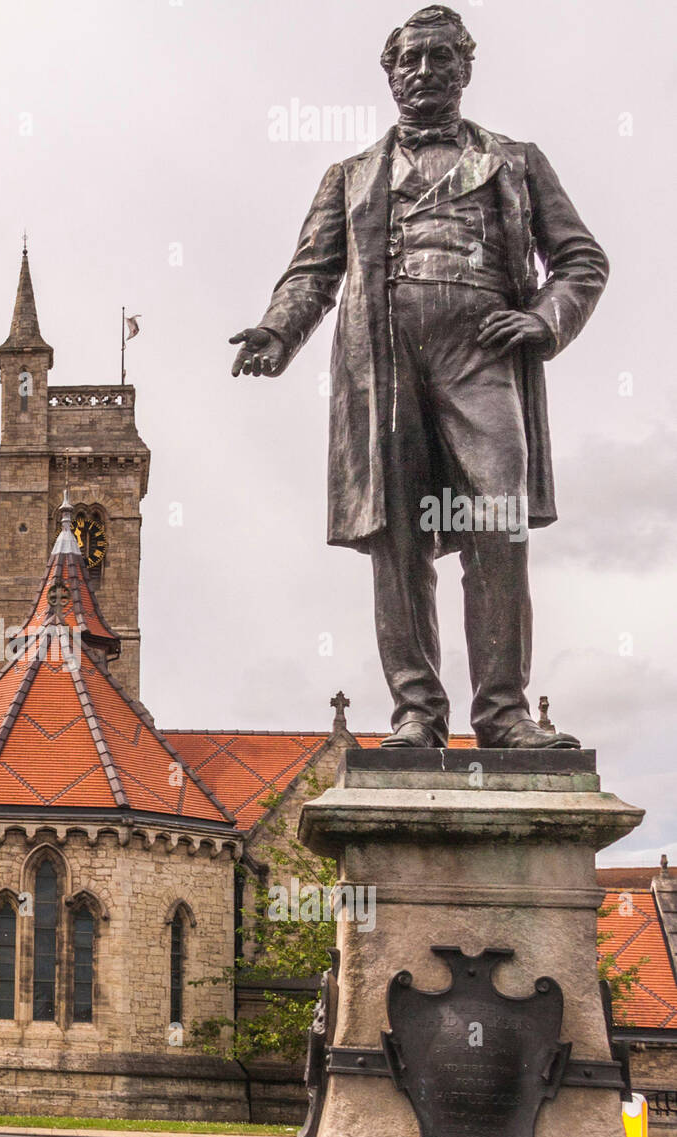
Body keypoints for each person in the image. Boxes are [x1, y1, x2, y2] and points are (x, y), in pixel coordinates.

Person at [230, 6, 606, 750]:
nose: (425, 72)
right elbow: (313, 271)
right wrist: (278, 330)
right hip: (385, 368)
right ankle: (416, 713)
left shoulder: (517, 160)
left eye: (441, 58)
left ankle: (503, 713)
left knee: (496, 529)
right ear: (390, 74)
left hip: (483, 356)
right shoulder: (351, 176)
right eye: (411, 60)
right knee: (398, 538)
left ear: (466, 68)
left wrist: (545, 319)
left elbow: (581, 260)